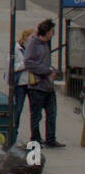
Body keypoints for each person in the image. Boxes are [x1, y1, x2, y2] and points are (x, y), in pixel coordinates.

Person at [22, 19, 65, 147]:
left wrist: (53, 70)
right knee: (36, 115)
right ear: (45, 32)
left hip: (48, 86)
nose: (53, 34)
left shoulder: (46, 43)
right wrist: (47, 70)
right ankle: (35, 139)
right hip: (37, 87)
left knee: (51, 114)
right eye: (52, 31)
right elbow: (28, 63)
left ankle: (50, 138)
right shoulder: (33, 44)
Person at [7, 27, 36, 143]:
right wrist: (26, 63)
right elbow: (12, 67)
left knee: (35, 111)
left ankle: (35, 136)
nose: (34, 40)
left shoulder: (33, 49)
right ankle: (13, 133)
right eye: (32, 37)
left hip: (31, 83)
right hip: (20, 84)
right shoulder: (16, 49)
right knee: (17, 109)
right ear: (25, 37)